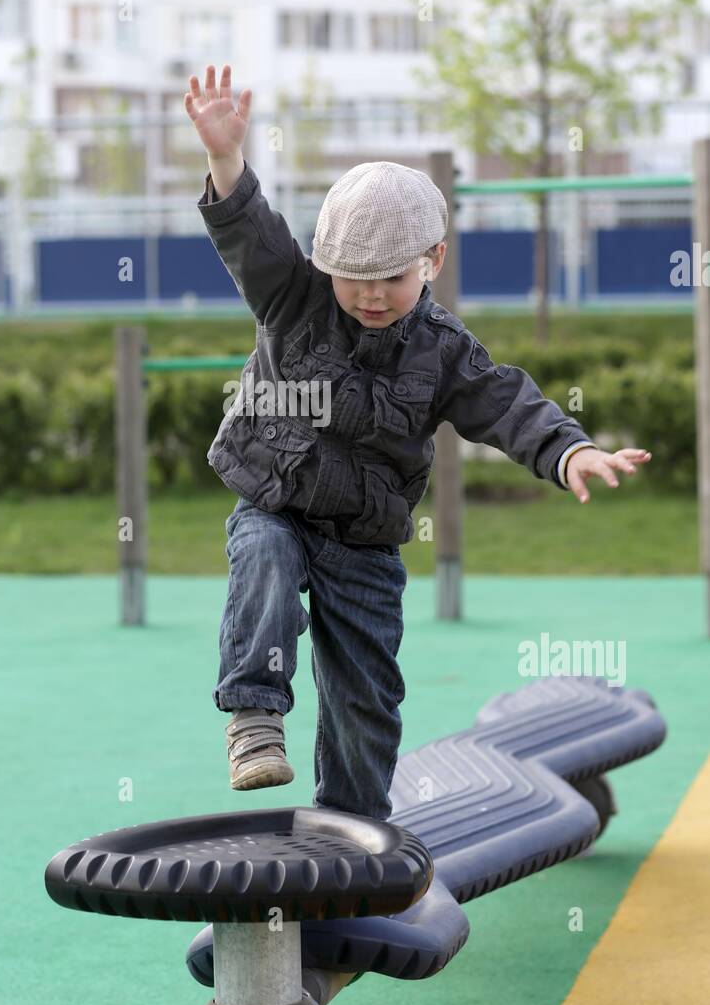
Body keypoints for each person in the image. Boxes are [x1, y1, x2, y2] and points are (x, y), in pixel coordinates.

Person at [184, 63, 652, 822]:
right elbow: (247, 231)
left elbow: (506, 403)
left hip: (366, 542)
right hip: (277, 504)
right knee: (263, 557)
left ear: (432, 262)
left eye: (391, 279)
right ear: (324, 264)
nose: (369, 294)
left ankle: (355, 828)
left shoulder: (442, 349)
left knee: (366, 695)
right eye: (352, 277)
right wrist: (225, 158)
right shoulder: (293, 295)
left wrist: (569, 452)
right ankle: (254, 718)